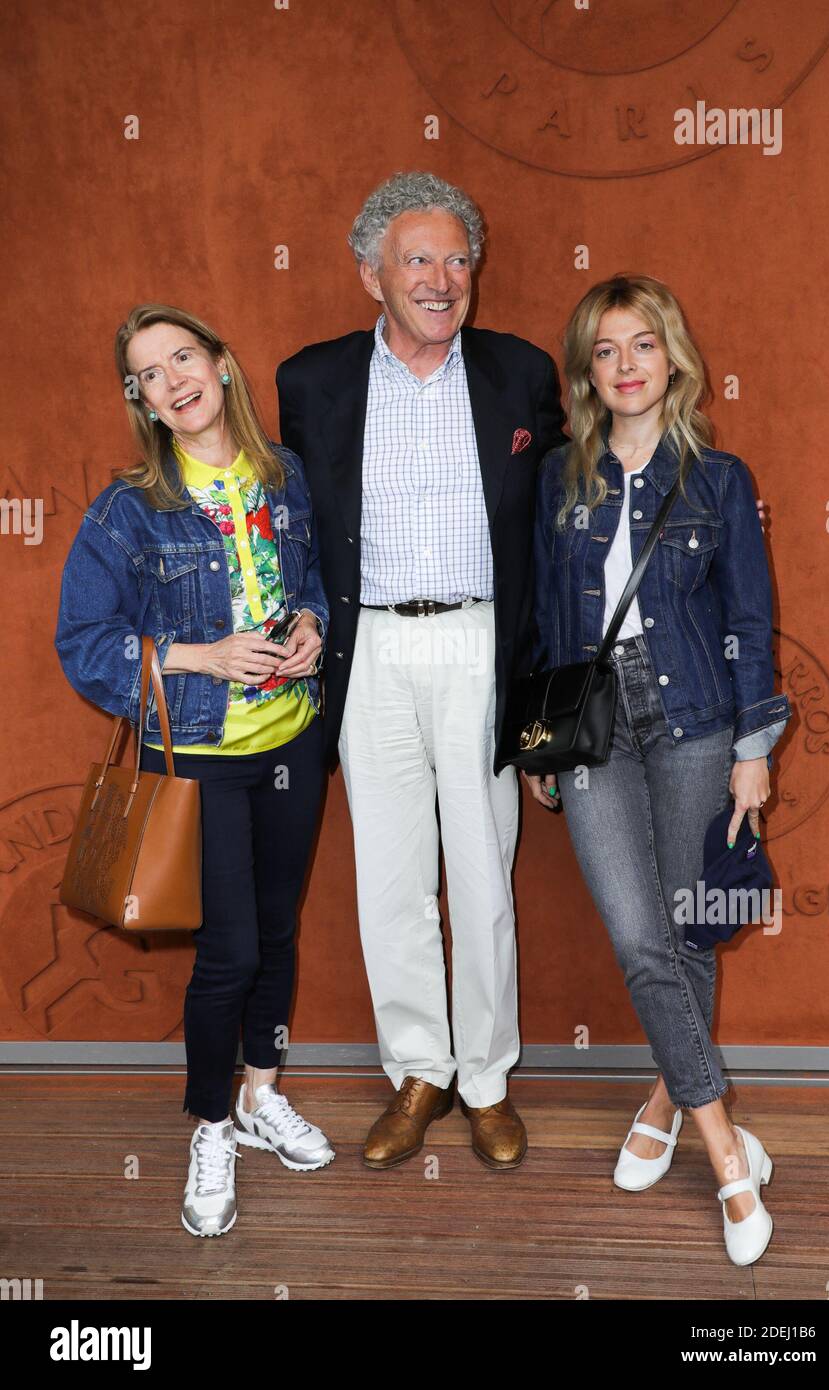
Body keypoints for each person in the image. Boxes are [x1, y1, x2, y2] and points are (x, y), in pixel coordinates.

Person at [276, 171, 569, 1169]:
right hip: (369, 653)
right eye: (416, 259)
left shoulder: (522, 372)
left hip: (482, 643)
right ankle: (419, 1070)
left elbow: (558, 545)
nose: (441, 280)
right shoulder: (309, 381)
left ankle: (484, 1078)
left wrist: (548, 715)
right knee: (389, 874)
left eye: (456, 259)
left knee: (482, 871)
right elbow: (288, 532)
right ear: (370, 273)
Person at [527, 273, 791, 1266]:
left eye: (641, 344)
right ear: (586, 373)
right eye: (604, 350)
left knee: (687, 935)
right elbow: (551, 616)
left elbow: (747, 620)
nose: (625, 364)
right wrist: (540, 743)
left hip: (691, 716)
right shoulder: (561, 475)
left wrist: (752, 753)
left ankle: (662, 1095)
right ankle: (725, 1150)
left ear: (671, 357)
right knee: (640, 937)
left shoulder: (716, 478)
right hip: (594, 721)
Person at [55, 304, 334, 1238]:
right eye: (149, 373)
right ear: (142, 401)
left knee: (280, 933)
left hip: (291, 745)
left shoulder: (282, 474)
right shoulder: (128, 506)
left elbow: (307, 588)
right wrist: (199, 656)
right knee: (231, 955)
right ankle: (211, 1125)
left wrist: (308, 631)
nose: (173, 379)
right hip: (201, 760)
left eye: (184, 356)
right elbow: (85, 645)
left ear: (220, 362)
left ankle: (261, 1094)